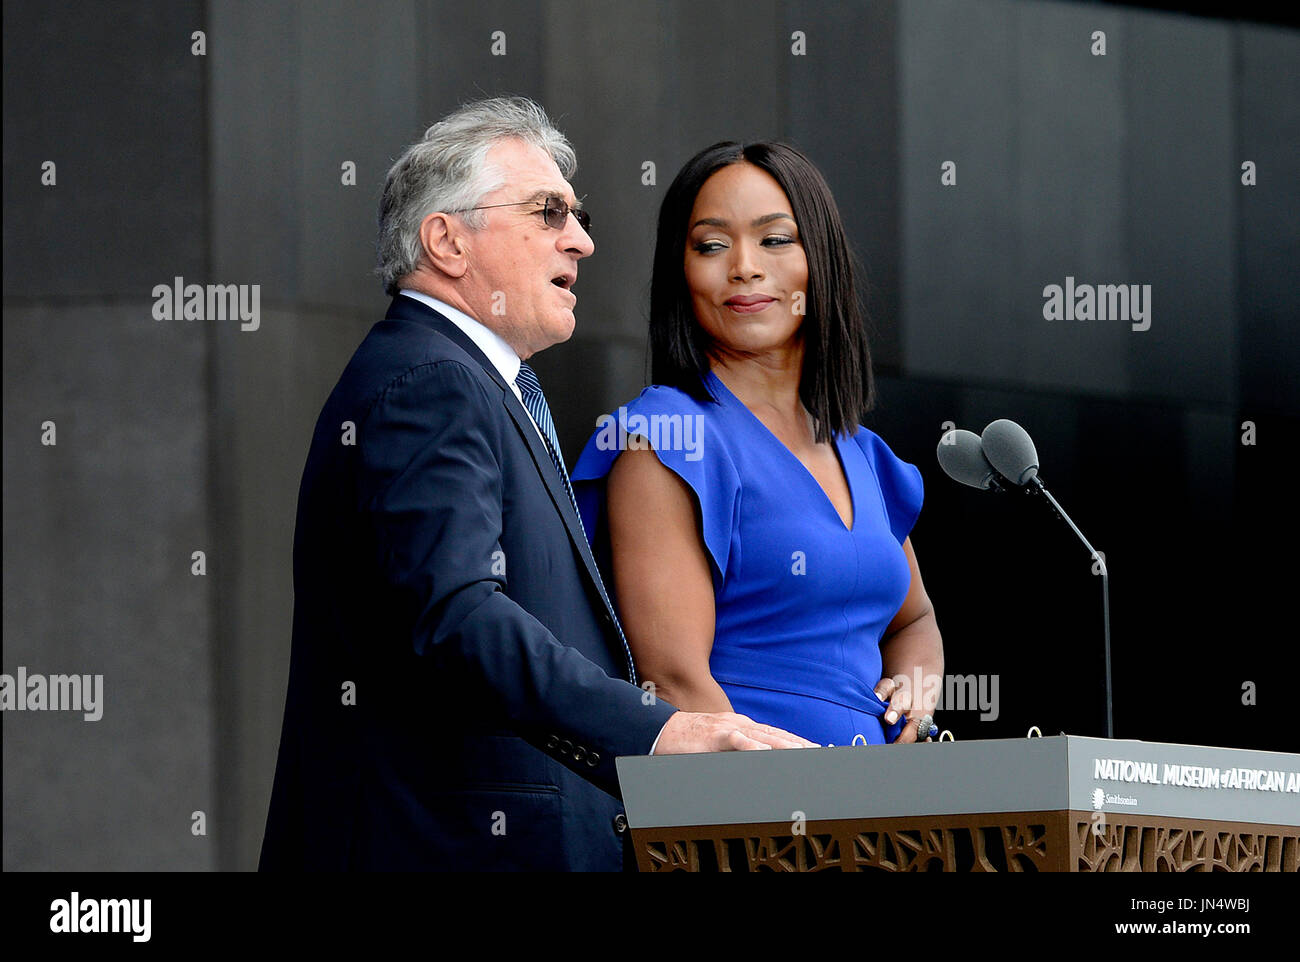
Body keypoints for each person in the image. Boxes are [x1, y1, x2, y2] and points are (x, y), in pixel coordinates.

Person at [259, 101, 815, 873]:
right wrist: (659, 730)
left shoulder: (473, 384)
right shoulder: (431, 384)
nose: (581, 240)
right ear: (447, 239)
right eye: (547, 213)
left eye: (577, 216)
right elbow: (456, 618)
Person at [572, 141, 944, 749]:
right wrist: (797, 812)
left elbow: (916, 620)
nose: (743, 266)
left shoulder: (864, 454)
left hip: (879, 821)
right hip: (755, 823)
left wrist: (916, 686)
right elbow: (675, 684)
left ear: (818, 259)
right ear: (681, 273)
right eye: (711, 245)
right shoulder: (666, 438)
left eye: (774, 239)